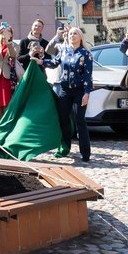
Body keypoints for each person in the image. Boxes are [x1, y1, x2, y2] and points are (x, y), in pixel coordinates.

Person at [53, 27, 94, 162]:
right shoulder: (64, 51)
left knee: (79, 120)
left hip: (79, 90)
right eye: (70, 34)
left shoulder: (85, 54)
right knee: (63, 118)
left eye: (75, 33)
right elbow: (54, 63)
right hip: (65, 90)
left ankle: (85, 153)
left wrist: (87, 93)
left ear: (80, 37)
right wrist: (39, 61)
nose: (72, 36)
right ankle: (65, 147)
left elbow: (88, 76)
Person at [0, 24, 20, 125]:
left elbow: (13, 55)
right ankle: (0, 125)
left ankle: (6, 125)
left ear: (11, 34)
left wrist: (8, 41)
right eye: (4, 31)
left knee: (7, 104)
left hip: (7, 77)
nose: (5, 33)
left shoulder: (14, 45)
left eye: (8, 31)